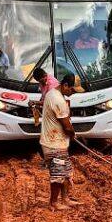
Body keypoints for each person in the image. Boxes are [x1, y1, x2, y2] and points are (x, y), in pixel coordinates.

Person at [34, 69, 79, 210]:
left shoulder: (53, 93)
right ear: (65, 85)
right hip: (53, 143)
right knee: (58, 173)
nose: (73, 93)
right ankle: (54, 202)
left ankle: (65, 199)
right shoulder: (57, 99)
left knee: (66, 172)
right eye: (73, 90)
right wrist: (73, 134)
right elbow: (66, 126)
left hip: (58, 141)